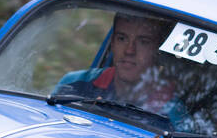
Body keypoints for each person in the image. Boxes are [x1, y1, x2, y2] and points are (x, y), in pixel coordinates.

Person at [53, 13, 190, 127]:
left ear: (157, 51)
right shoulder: (74, 84)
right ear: (112, 43)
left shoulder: (172, 113)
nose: (129, 50)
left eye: (143, 42)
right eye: (122, 38)